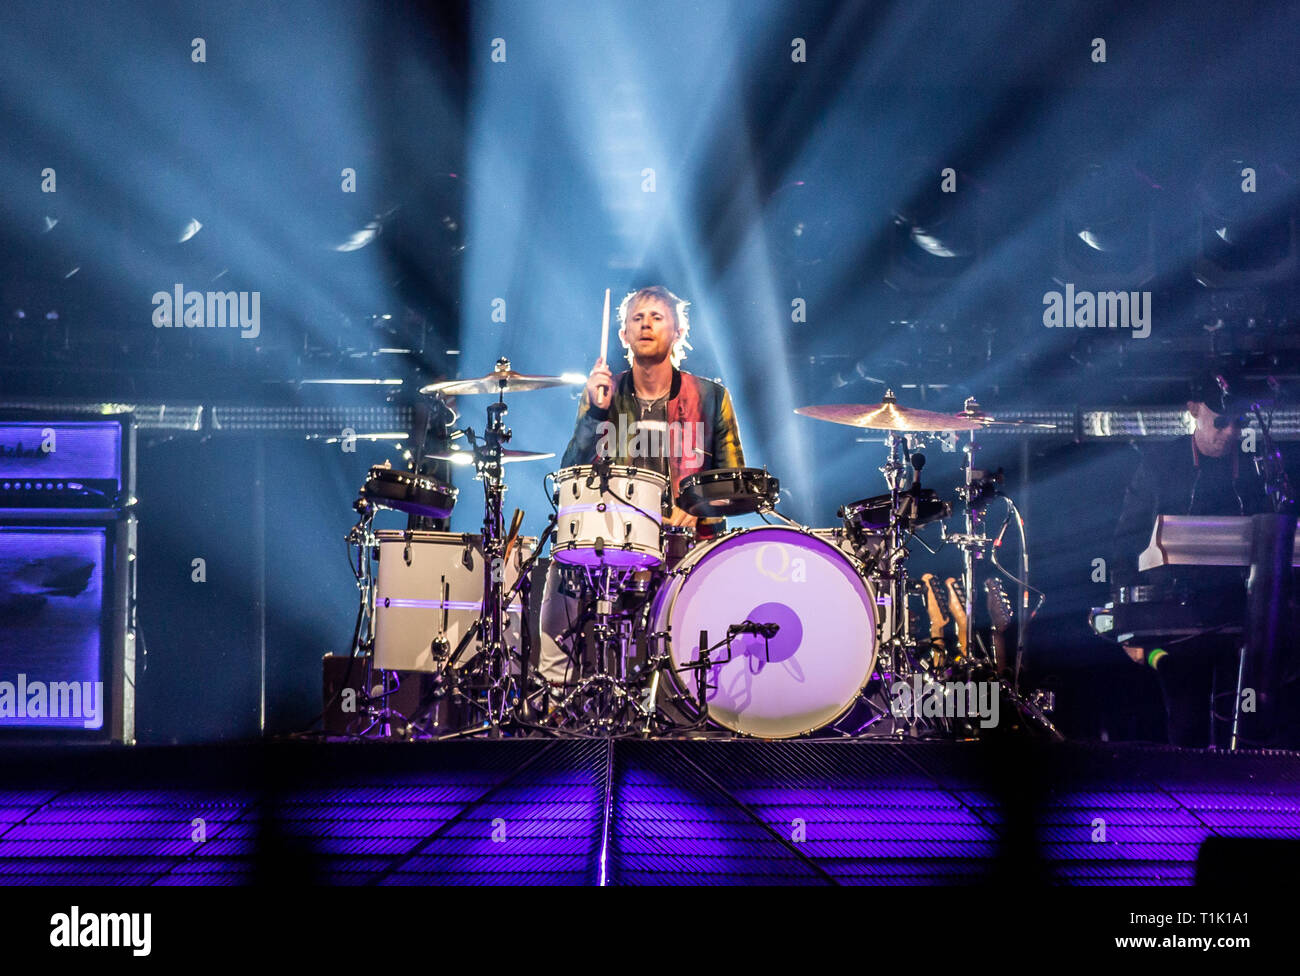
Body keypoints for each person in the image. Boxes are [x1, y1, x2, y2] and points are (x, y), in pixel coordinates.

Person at [537, 285, 746, 696]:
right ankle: (556, 697)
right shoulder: (604, 393)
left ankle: (703, 696)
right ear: (623, 336)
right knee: (561, 562)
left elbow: (735, 485)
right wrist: (596, 411)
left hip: (689, 548)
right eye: (637, 318)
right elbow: (570, 475)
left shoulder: (712, 397)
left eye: (657, 317)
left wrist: (699, 507)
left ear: (679, 331)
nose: (646, 324)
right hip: (615, 543)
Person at [1111, 370, 1267, 747]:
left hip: (1239, 614)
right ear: (1194, 410)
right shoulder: (1160, 464)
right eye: (1222, 422)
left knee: (1246, 728)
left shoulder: (1255, 468)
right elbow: (1126, 542)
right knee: (1188, 723)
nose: (1230, 433)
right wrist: (1126, 614)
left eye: (1239, 423)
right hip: (1180, 618)